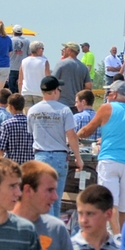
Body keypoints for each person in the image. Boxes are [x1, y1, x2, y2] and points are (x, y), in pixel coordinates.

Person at [78, 81, 125, 233]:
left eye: (108, 93)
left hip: (110, 159)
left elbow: (88, 130)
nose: (106, 95)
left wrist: (75, 136)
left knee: (110, 201)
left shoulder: (107, 108)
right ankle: (121, 237)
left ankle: (115, 235)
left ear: (114, 94)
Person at [27, 76, 85, 218]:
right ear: (54, 91)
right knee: (55, 200)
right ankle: (53, 234)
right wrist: (78, 158)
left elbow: (31, 133)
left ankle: (49, 234)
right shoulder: (64, 110)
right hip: (60, 156)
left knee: (44, 200)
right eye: (59, 89)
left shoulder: (32, 110)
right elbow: (71, 135)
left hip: (40, 156)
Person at [0, 93, 34, 164]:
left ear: (10, 107)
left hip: (12, 167)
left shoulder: (6, 125)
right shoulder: (33, 124)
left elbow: (0, 150)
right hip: (29, 167)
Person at [54, 42, 93, 112]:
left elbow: (52, 81)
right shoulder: (83, 67)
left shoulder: (61, 64)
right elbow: (88, 86)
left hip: (61, 104)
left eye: (65, 48)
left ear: (69, 50)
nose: (64, 50)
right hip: (77, 105)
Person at [19, 41, 51, 107]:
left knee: (29, 115)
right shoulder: (44, 61)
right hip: (39, 92)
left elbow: (20, 80)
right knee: (39, 115)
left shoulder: (24, 61)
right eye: (42, 49)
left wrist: (20, 93)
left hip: (26, 92)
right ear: (38, 49)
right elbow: (48, 79)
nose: (43, 51)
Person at [7, 24, 30, 93]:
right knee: (21, 88)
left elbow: (7, 53)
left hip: (12, 67)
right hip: (23, 67)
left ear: (13, 32)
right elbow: (29, 54)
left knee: (12, 88)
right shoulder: (27, 41)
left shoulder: (10, 40)